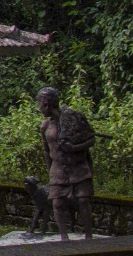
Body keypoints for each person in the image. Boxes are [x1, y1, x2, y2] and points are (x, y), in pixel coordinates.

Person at [36, 87, 95, 241]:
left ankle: (89, 235)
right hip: (58, 168)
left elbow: (91, 140)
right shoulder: (45, 126)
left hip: (77, 166)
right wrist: (50, 170)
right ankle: (64, 236)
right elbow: (46, 150)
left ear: (46, 103)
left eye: (40, 104)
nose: (39, 108)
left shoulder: (72, 118)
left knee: (83, 200)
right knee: (57, 203)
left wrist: (74, 148)